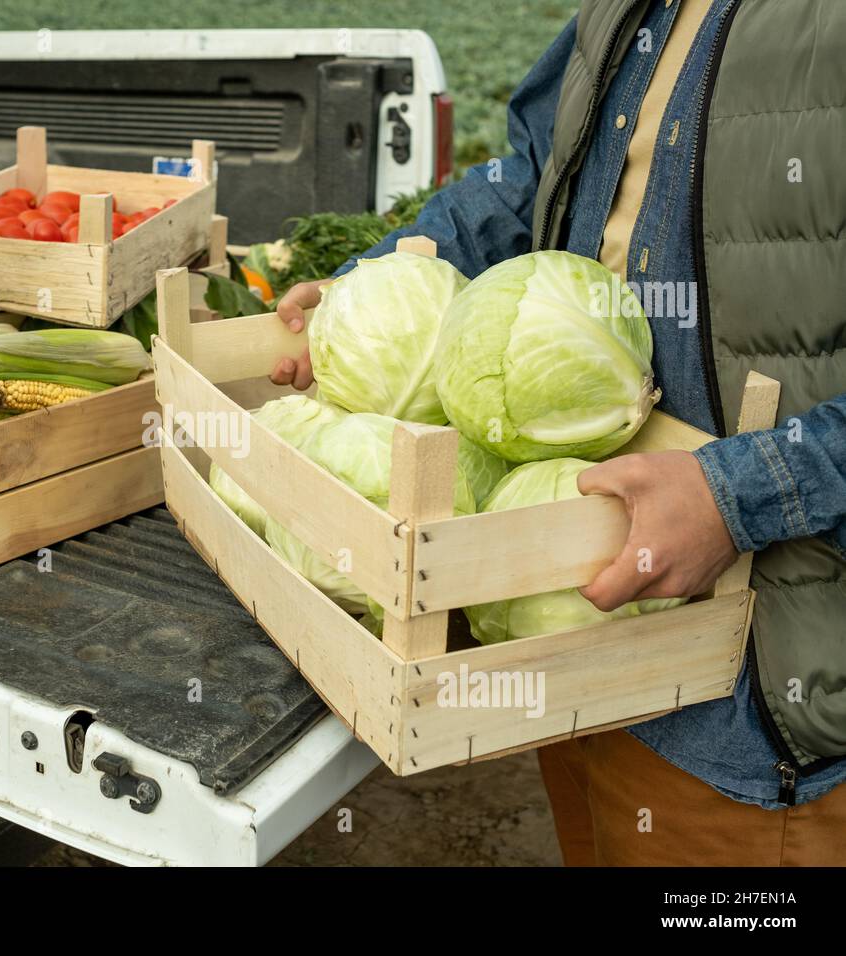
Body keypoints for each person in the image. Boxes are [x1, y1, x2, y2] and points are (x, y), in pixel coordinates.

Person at [272, 0, 846, 865]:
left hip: (760, 697)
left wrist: (740, 495)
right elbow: (531, 175)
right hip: (576, 621)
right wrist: (377, 281)